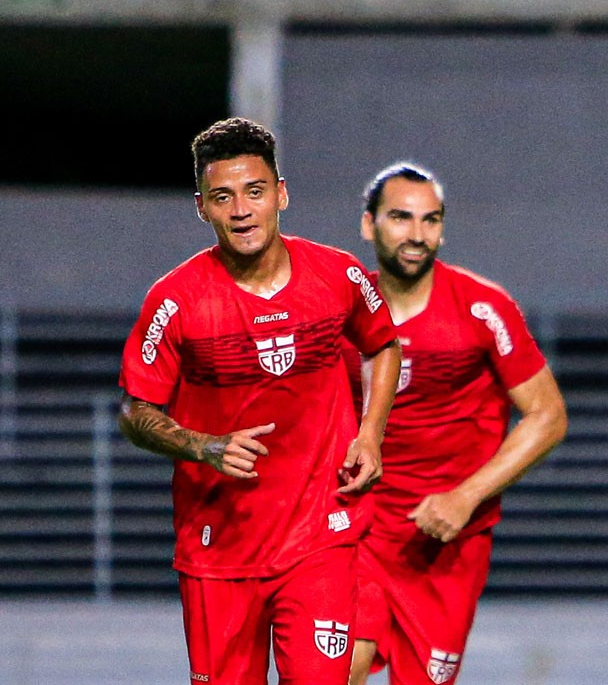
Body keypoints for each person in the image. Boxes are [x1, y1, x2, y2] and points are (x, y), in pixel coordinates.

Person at [117, 117, 402, 685]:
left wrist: (370, 434)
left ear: (281, 194)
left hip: (320, 534)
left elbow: (382, 345)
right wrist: (203, 446)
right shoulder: (176, 301)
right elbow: (134, 410)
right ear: (203, 208)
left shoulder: (338, 274)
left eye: (255, 191)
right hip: (218, 547)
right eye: (223, 197)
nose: (242, 210)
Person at [345, 162, 568, 685]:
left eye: (431, 220)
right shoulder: (341, 309)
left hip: (446, 539)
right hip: (359, 528)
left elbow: (548, 416)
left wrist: (465, 498)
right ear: (369, 225)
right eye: (400, 217)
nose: (417, 234)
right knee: (336, 665)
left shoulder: (482, 309)